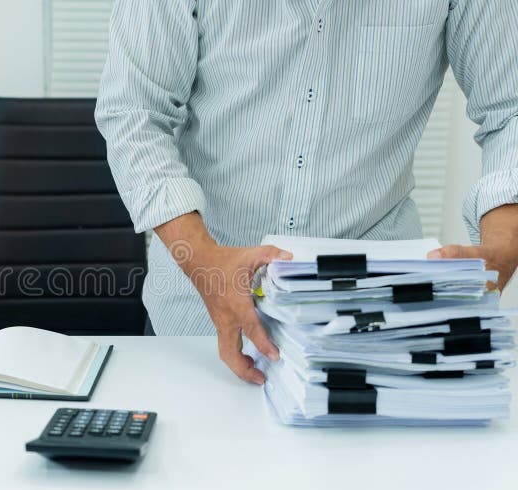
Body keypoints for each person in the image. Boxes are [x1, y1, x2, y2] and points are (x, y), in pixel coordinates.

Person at [95, 1, 518, 384]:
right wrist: (202, 260)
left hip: (373, 329)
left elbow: (509, 110)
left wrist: (503, 248)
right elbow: (135, 114)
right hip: (195, 322)